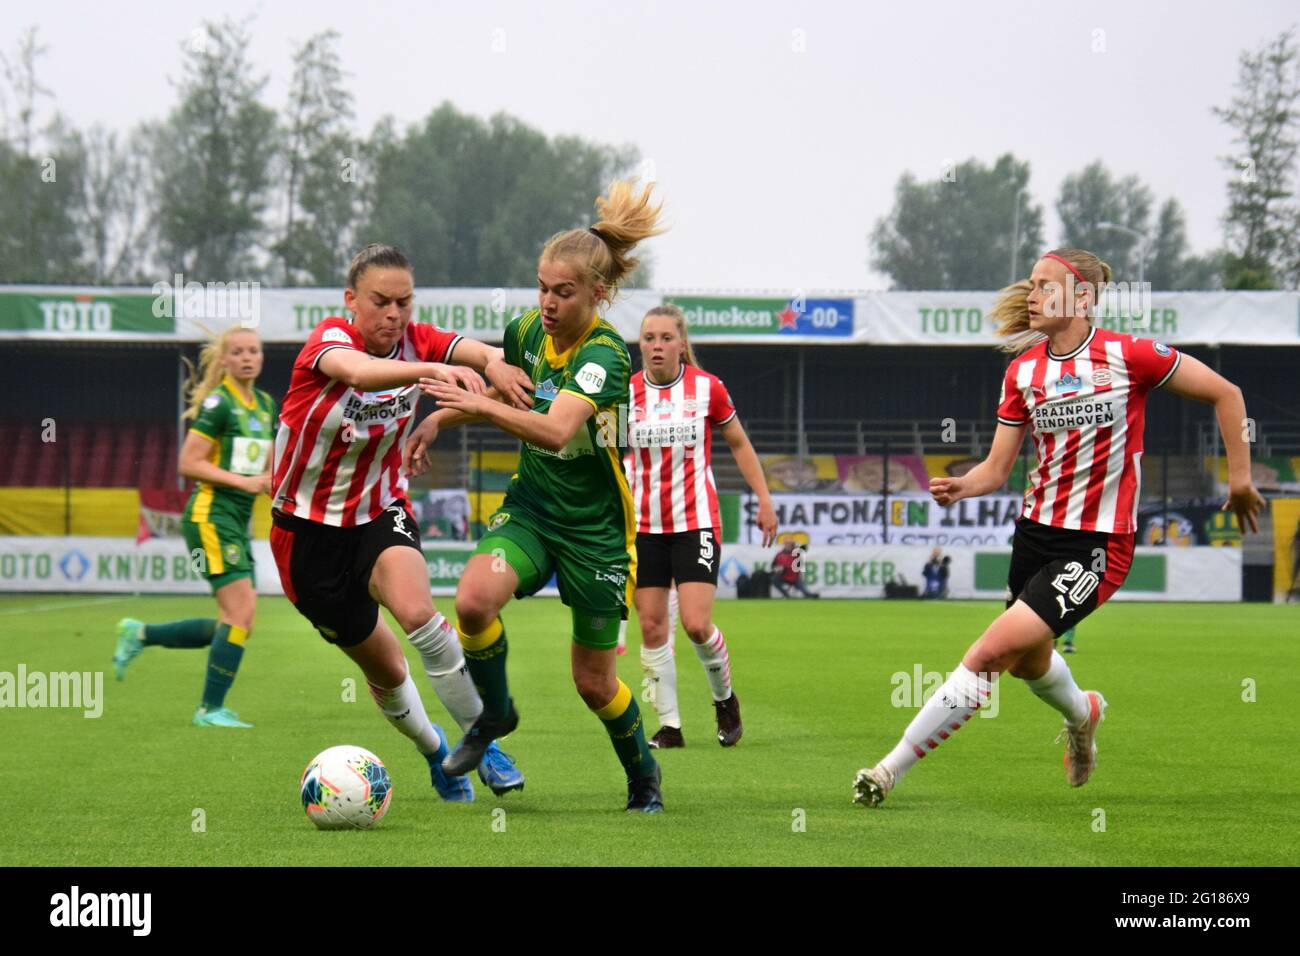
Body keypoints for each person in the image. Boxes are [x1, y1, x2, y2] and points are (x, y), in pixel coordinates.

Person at [853, 247, 1264, 808]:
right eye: (1031, 284)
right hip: (1033, 536)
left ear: (1084, 298)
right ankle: (1084, 713)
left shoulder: (1129, 356)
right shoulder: (1023, 372)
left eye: (1046, 285)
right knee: (1027, 661)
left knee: (989, 653)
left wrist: (1238, 480)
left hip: (1097, 547)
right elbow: (997, 469)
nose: (1033, 295)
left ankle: (886, 770)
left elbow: (1227, 393)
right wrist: (963, 485)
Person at [408, 180, 669, 812]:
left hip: (597, 532)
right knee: (472, 600)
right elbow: (511, 398)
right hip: (530, 511)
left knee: (593, 682)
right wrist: (446, 417)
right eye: (542, 287)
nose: (548, 303)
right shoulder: (525, 331)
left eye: (564, 291)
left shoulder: (605, 354)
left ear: (598, 293)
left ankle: (644, 779)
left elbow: (555, 430)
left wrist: (470, 403)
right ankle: (495, 715)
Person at [268, 243, 532, 802]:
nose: (394, 313)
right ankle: (435, 751)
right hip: (307, 536)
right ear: (351, 300)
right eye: (381, 301)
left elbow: (472, 350)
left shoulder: (420, 339)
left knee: (420, 615)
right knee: (387, 671)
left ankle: (482, 743)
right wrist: (437, 369)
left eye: (404, 301)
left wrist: (493, 363)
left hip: (378, 511)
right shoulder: (329, 343)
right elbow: (361, 375)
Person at [625, 304, 778, 749]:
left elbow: (739, 444)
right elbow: (611, 456)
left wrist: (764, 500)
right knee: (652, 627)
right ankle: (670, 727)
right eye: (649, 338)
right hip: (644, 526)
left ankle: (724, 699)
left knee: (694, 623)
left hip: (696, 522)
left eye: (666, 338)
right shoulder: (626, 393)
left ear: (681, 343)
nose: (656, 346)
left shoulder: (708, 389)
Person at [113, 326, 275, 728]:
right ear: (223, 360)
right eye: (237, 352)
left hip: (236, 520)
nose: (247, 357)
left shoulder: (267, 405)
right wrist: (246, 483)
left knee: (235, 622)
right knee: (242, 613)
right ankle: (209, 709)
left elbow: (267, 470)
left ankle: (141, 634)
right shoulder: (220, 404)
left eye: (253, 350)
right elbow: (188, 463)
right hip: (210, 516)